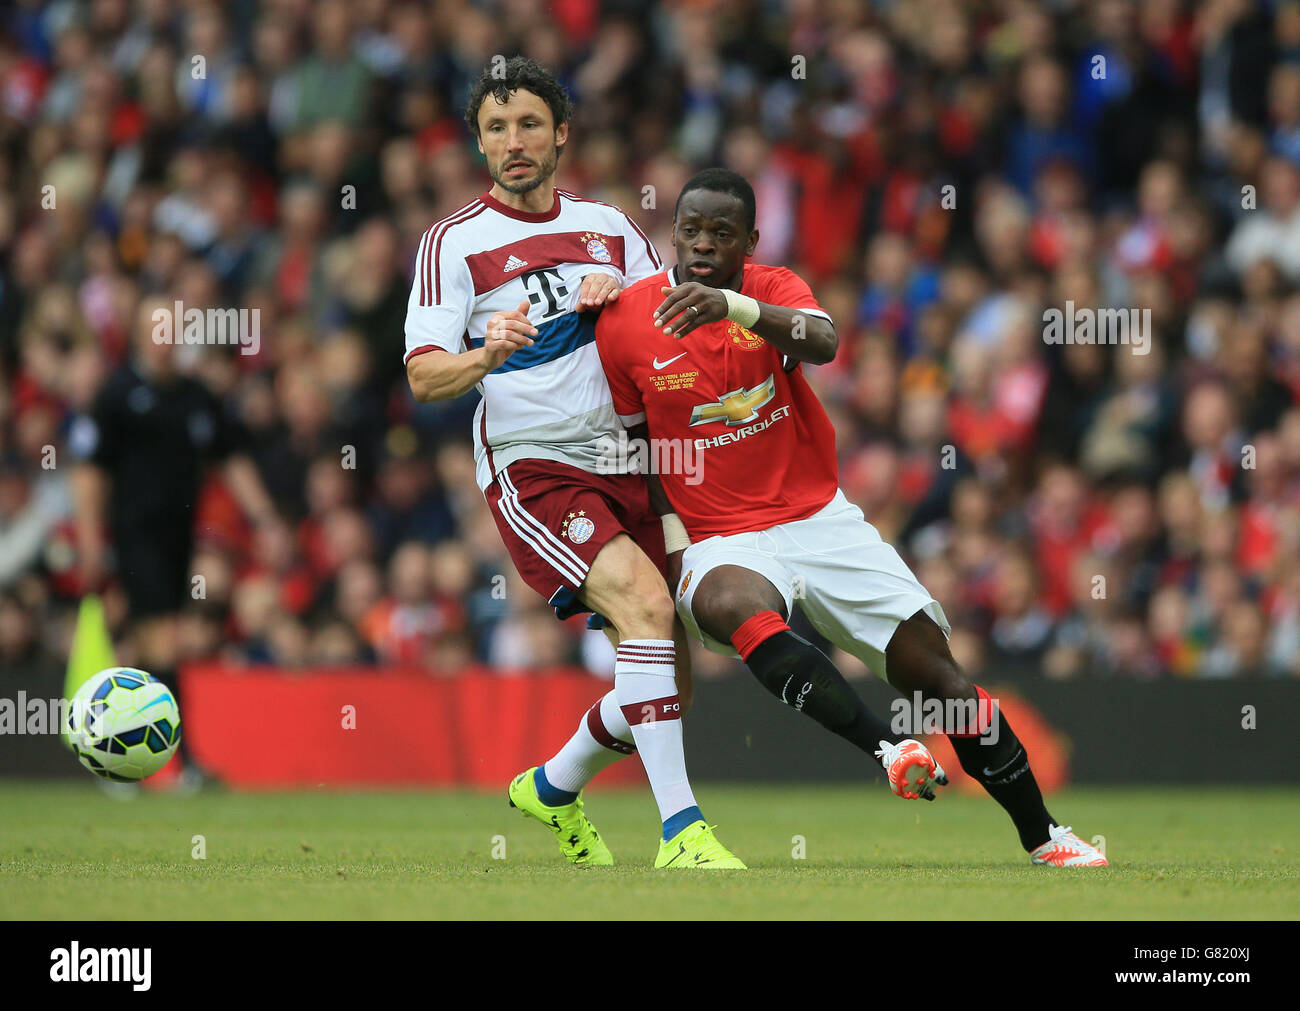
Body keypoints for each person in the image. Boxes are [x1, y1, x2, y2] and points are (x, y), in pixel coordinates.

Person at [594, 168, 1107, 867]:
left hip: (818, 518)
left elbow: (824, 340)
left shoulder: (772, 290)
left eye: (721, 233)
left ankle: (1045, 835)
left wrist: (732, 307)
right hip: (718, 535)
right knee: (733, 604)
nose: (702, 245)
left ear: (750, 238)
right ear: (672, 233)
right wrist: (674, 541)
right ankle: (888, 746)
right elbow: (634, 445)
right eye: (690, 230)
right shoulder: (626, 319)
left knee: (945, 683)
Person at [404, 59, 742, 869]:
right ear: (478, 142)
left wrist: (623, 295)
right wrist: (486, 352)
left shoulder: (611, 227)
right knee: (646, 604)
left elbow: (670, 334)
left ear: (561, 134)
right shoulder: (452, 243)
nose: (512, 143)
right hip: (537, 466)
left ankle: (552, 785)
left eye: (528, 125)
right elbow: (422, 374)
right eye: (495, 128)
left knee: (666, 680)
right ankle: (683, 833)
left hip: (631, 460)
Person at [70, 295, 277, 790]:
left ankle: (116, 760)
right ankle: (182, 764)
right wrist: (90, 540)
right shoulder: (118, 394)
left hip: (180, 536)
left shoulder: (196, 397)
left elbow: (231, 458)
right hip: (134, 533)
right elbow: (89, 473)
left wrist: (266, 518)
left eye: (173, 327)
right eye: (156, 326)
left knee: (148, 645)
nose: (165, 337)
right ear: (139, 333)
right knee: (164, 638)